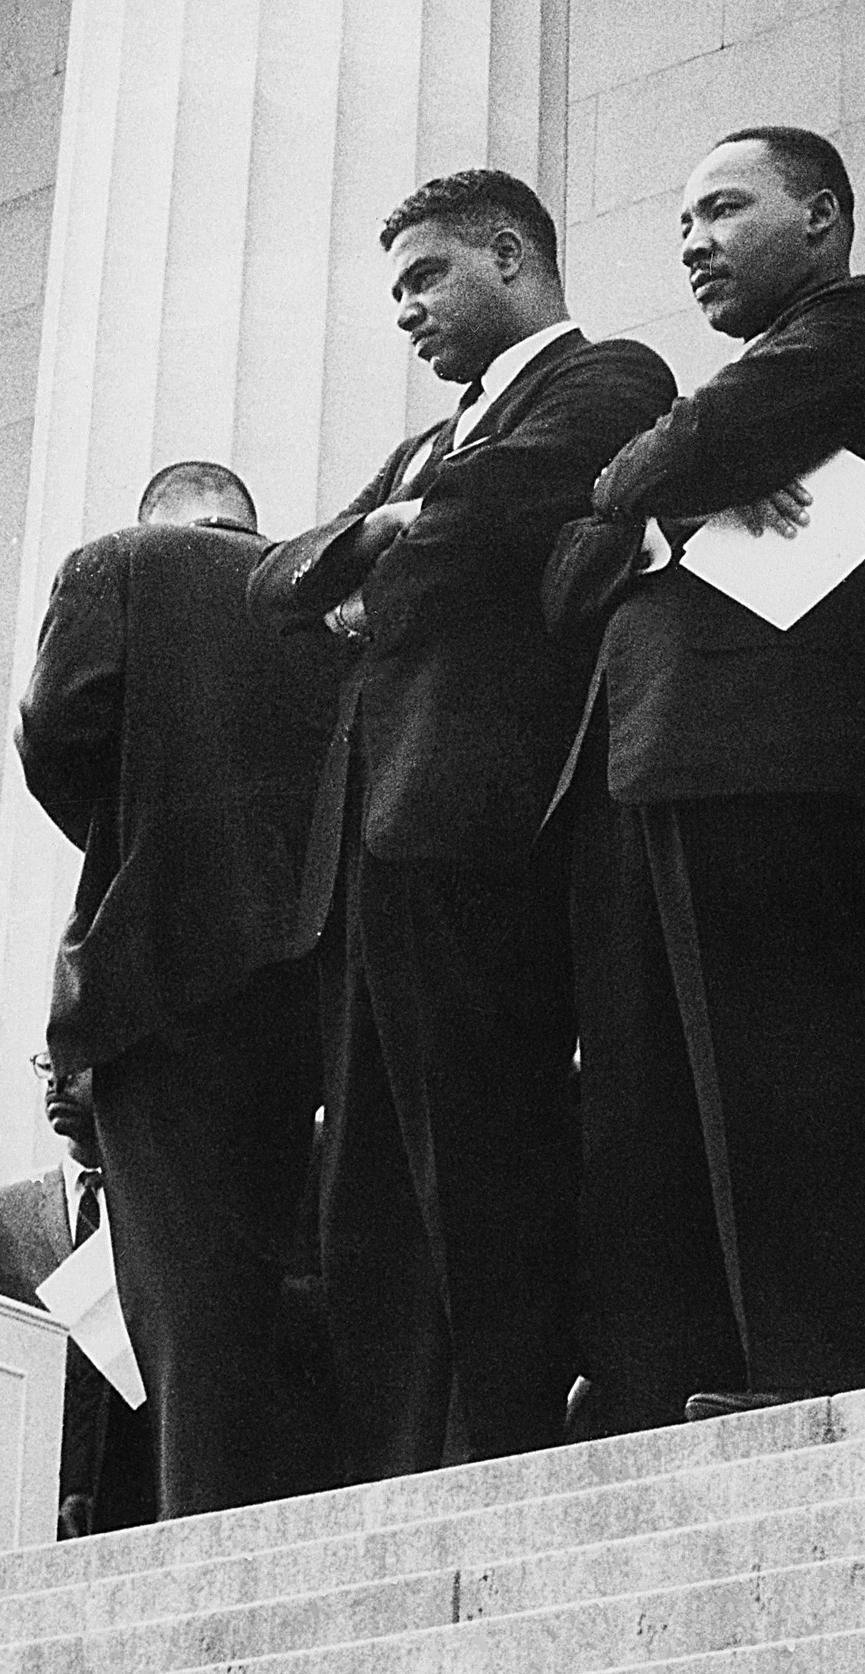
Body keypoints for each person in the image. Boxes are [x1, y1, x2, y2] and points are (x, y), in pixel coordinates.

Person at [248, 170, 675, 1481]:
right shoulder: (426, 448)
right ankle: (404, 1463)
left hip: (481, 829)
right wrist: (386, 529)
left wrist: (387, 559)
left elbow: (507, 517)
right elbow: (275, 581)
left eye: (425, 277)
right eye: (395, 291)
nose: (405, 312)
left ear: (508, 253)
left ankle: (511, 1441)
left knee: (488, 1151)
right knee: (371, 1183)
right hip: (372, 846)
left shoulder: (608, 379)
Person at [546, 128, 865, 1428]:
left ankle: (816, 1367)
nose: (694, 244)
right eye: (680, 224)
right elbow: (567, 576)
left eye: (722, 208)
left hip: (768, 762)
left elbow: (665, 459)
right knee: (649, 1097)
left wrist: (646, 490)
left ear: (820, 217)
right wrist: (665, 510)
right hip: (652, 764)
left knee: (774, 1077)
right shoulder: (764, 388)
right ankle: (679, 1371)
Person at [18, 460, 331, 1519]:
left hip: (157, 969)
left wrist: (133, 825)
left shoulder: (117, 565)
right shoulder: (312, 585)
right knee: (286, 1278)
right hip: (306, 964)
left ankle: (202, 1523)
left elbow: (53, 728)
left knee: (185, 1296)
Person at [0, 1053, 157, 1538]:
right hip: (36, 1486)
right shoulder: (0, 1216)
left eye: (77, 1061)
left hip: (140, 1476)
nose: (58, 1079)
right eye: (47, 1064)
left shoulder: (161, 1205)